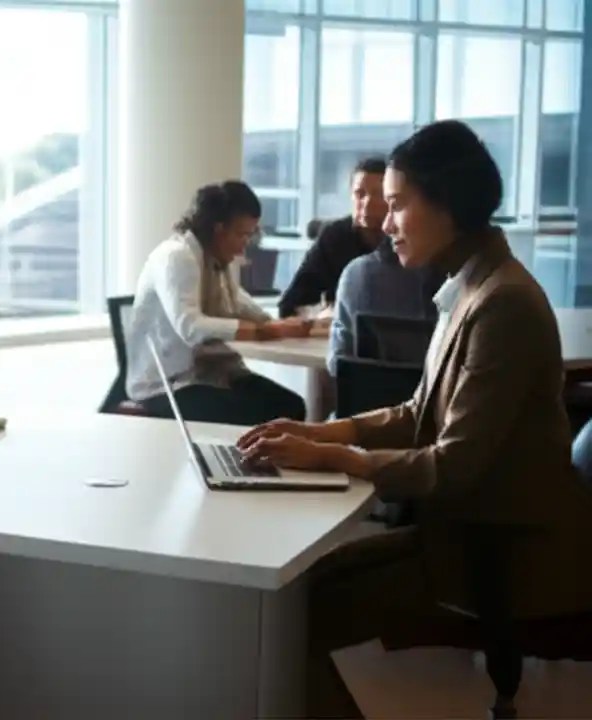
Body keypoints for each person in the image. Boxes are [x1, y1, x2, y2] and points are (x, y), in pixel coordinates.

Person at [238, 120, 592, 718]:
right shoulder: (474, 287)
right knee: (296, 599)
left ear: (447, 205)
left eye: (398, 204)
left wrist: (334, 459)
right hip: (476, 532)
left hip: (504, 553)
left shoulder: (502, 303)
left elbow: (453, 464)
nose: (382, 222)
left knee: (303, 606)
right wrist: (324, 431)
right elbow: (417, 411)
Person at [125, 180, 309, 425]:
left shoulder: (218, 259)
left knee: (291, 407)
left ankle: (257, 462)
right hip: (168, 385)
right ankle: (239, 462)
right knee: (261, 416)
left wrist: (279, 324)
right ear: (218, 229)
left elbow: (239, 303)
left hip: (213, 374)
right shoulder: (176, 256)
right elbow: (191, 327)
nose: (246, 243)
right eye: (242, 234)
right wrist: (263, 331)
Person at [278, 157, 389, 318]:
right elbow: (291, 304)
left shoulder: (405, 238)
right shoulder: (334, 237)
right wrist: (326, 313)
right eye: (360, 194)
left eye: (378, 194)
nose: (367, 203)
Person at [326, 236, 444, 375]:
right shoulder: (466, 279)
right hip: (445, 394)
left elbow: (338, 363)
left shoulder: (357, 273)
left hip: (371, 394)